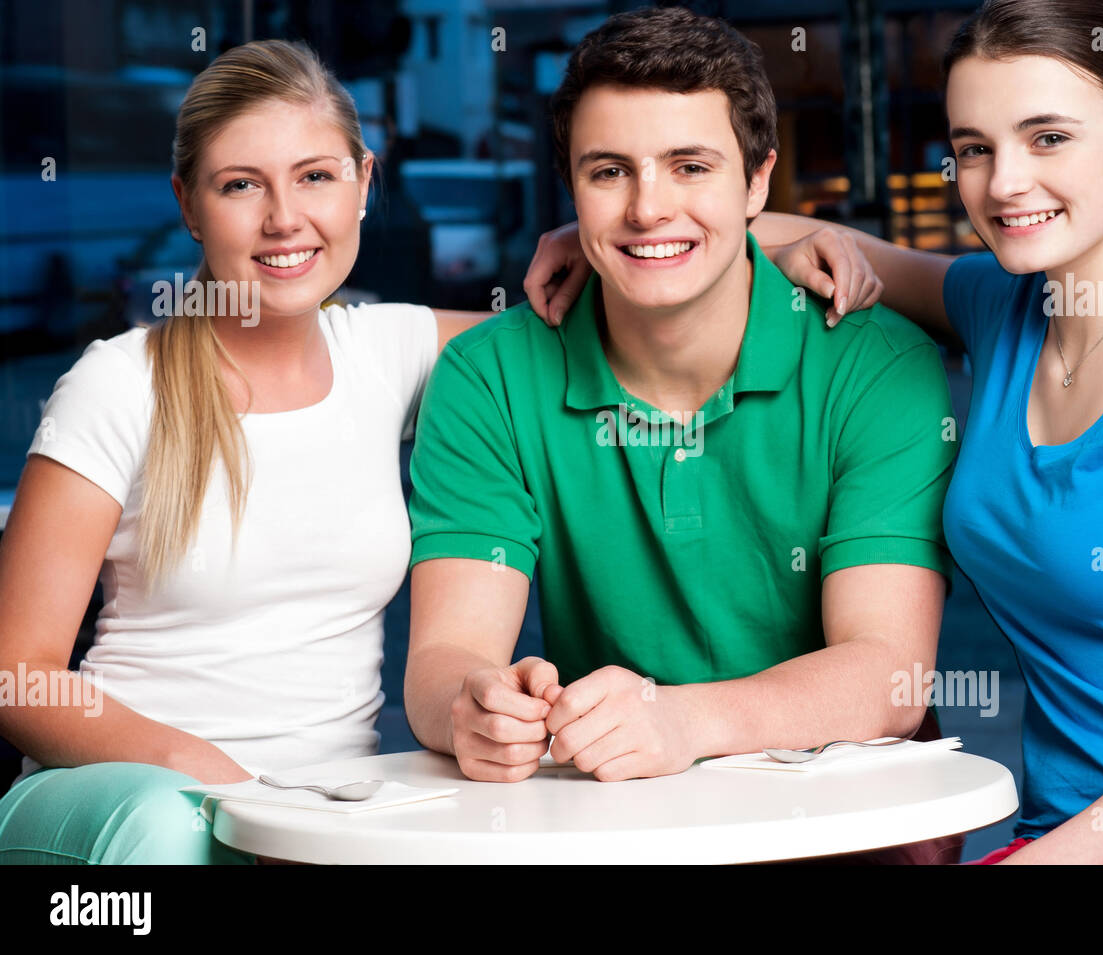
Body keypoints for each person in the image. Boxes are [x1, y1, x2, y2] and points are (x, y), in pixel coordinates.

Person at [0, 38, 875, 865]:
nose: (284, 219)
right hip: (117, 802)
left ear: (362, 186)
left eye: (315, 177)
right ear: (189, 203)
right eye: (240, 186)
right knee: (172, 829)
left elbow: (631, 295)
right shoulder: (120, 384)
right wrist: (208, 775)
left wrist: (712, 236)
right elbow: (17, 676)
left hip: (324, 810)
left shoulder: (394, 351)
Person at [527, 0, 1103, 865]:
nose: (1004, 181)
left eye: (1048, 138)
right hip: (1064, 832)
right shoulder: (1002, 306)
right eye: (975, 148)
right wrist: (612, 231)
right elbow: (755, 230)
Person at [404, 6, 964, 863]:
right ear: (571, 189)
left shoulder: (879, 366)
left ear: (757, 182)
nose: (647, 207)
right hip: (621, 821)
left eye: (690, 165)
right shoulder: (490, 375)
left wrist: (686, 717)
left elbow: (889, 670)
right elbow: (446, 654)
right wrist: (472, 709)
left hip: (847, 827)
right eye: (608, 172)